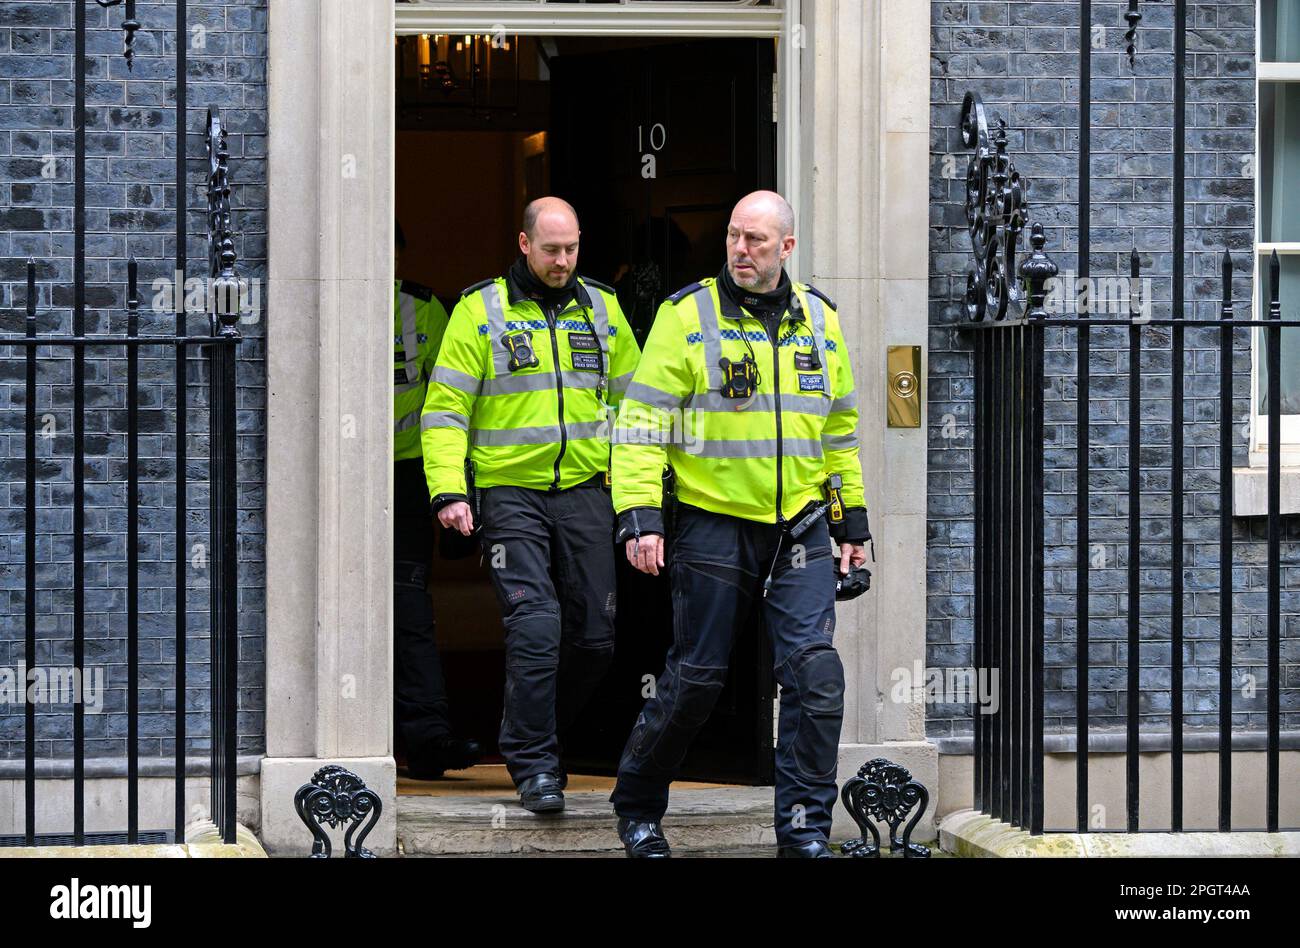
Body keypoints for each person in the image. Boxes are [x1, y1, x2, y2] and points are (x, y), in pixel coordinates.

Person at [608, 190, 871, 857]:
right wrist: (640, 517)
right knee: (695, 680)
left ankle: (805, 831)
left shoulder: (819, 319)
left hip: (801, 526)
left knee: (816, 676)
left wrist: (852, 527)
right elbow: (641, 425)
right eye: (733, 236)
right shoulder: (686, 316)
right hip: (712, 523)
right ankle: (637, 806)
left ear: (786, 247)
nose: (741, 249)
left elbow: (837, 433)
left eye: (756, 239)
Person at [420, 197, 641, 813]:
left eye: (571, 249)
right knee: (536, 625)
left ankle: (535, 728)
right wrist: (450, 489)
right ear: (523, 244)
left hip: (586, 492)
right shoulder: (479, 311)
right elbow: (444, 412)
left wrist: (642, 496)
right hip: (508, 492)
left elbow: (637, 409)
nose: (563, 261)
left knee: (596, 638)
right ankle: (535, 763)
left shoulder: (603, 308)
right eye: (551, 250)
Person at [392, 221, 483, 779]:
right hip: (333, 473)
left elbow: (454, 405)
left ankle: (426, 740)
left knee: (408, 605)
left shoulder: (425, 309)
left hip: (408, 475)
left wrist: (454, 484)